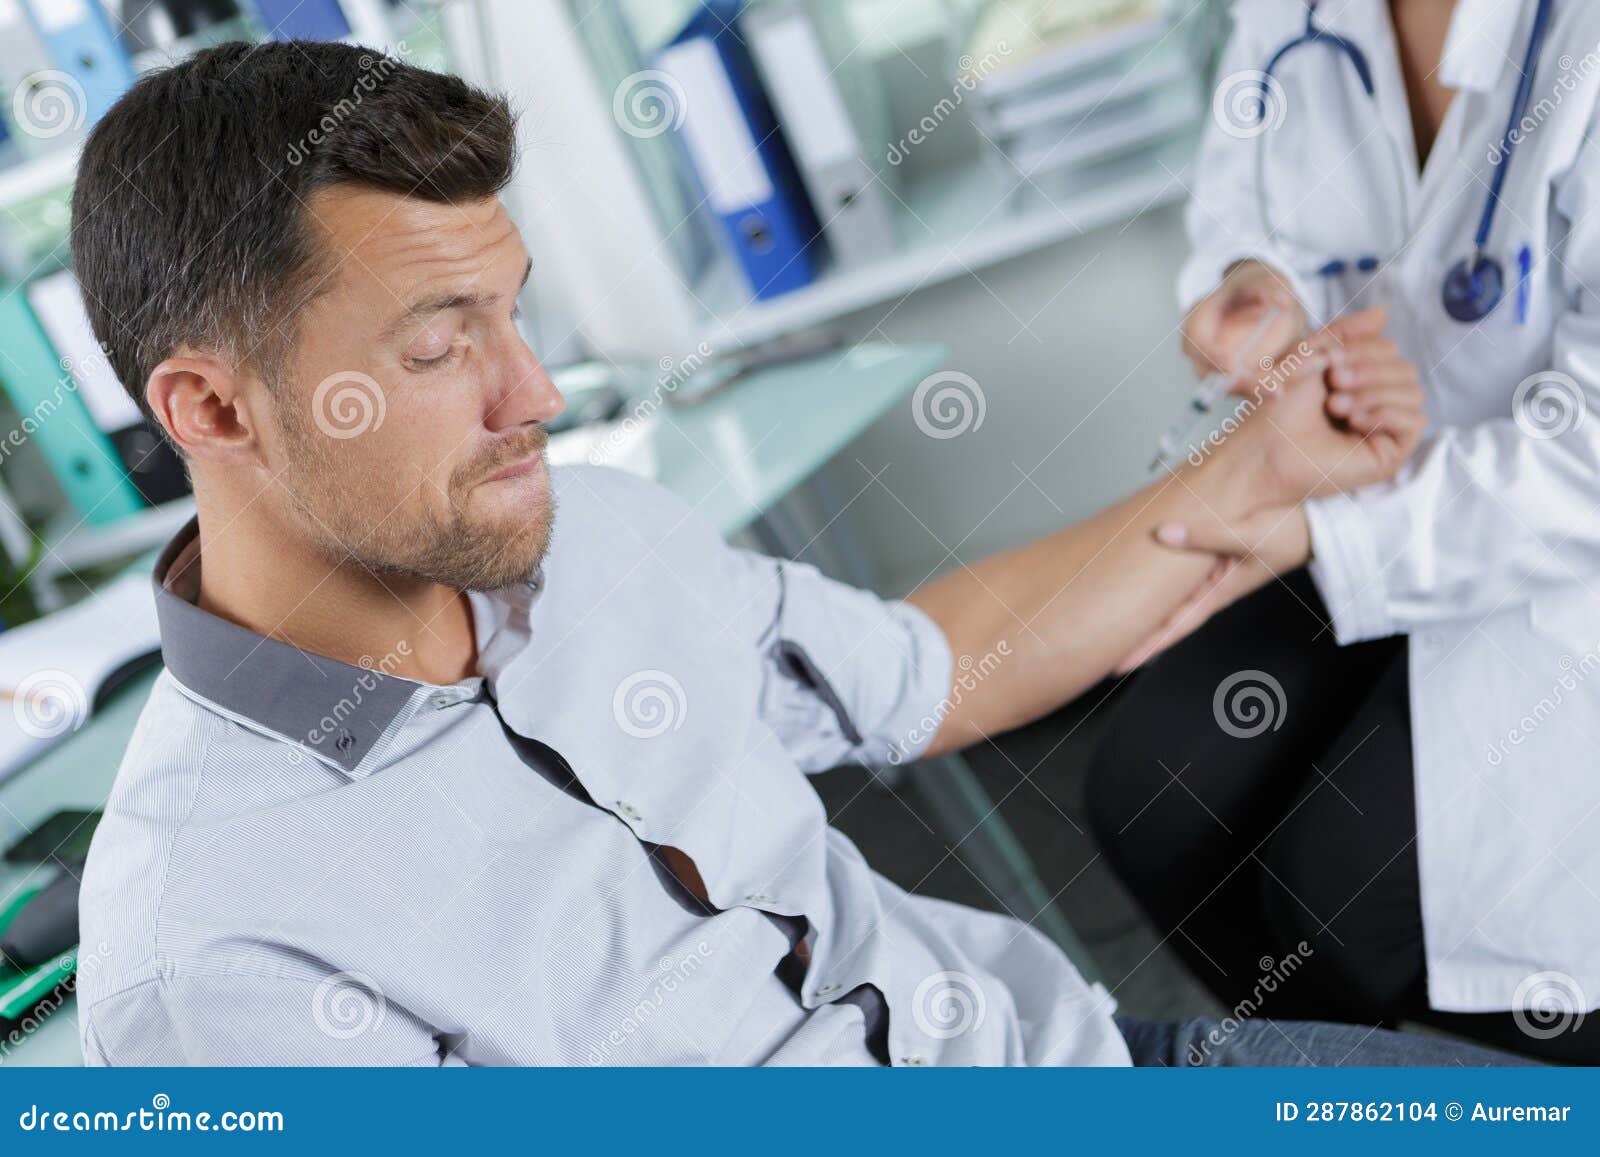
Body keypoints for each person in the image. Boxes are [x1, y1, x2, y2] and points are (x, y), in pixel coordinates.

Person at [72, 40, 1502, 1068]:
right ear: (212, 409)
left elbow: (930, 669)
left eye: (514, 315)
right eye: (441, 347)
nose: (536, 394)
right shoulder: (211, 946)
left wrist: (1260, 462)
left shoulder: (593, 531)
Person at [1087, 0, 1600, 1063]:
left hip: (1558, 543)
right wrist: (1254, 291)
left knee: (1338, 900)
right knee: (1152, 797)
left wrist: (1320, 536)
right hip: (1365, 486)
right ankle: (1352, 1105)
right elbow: (1243, 205)